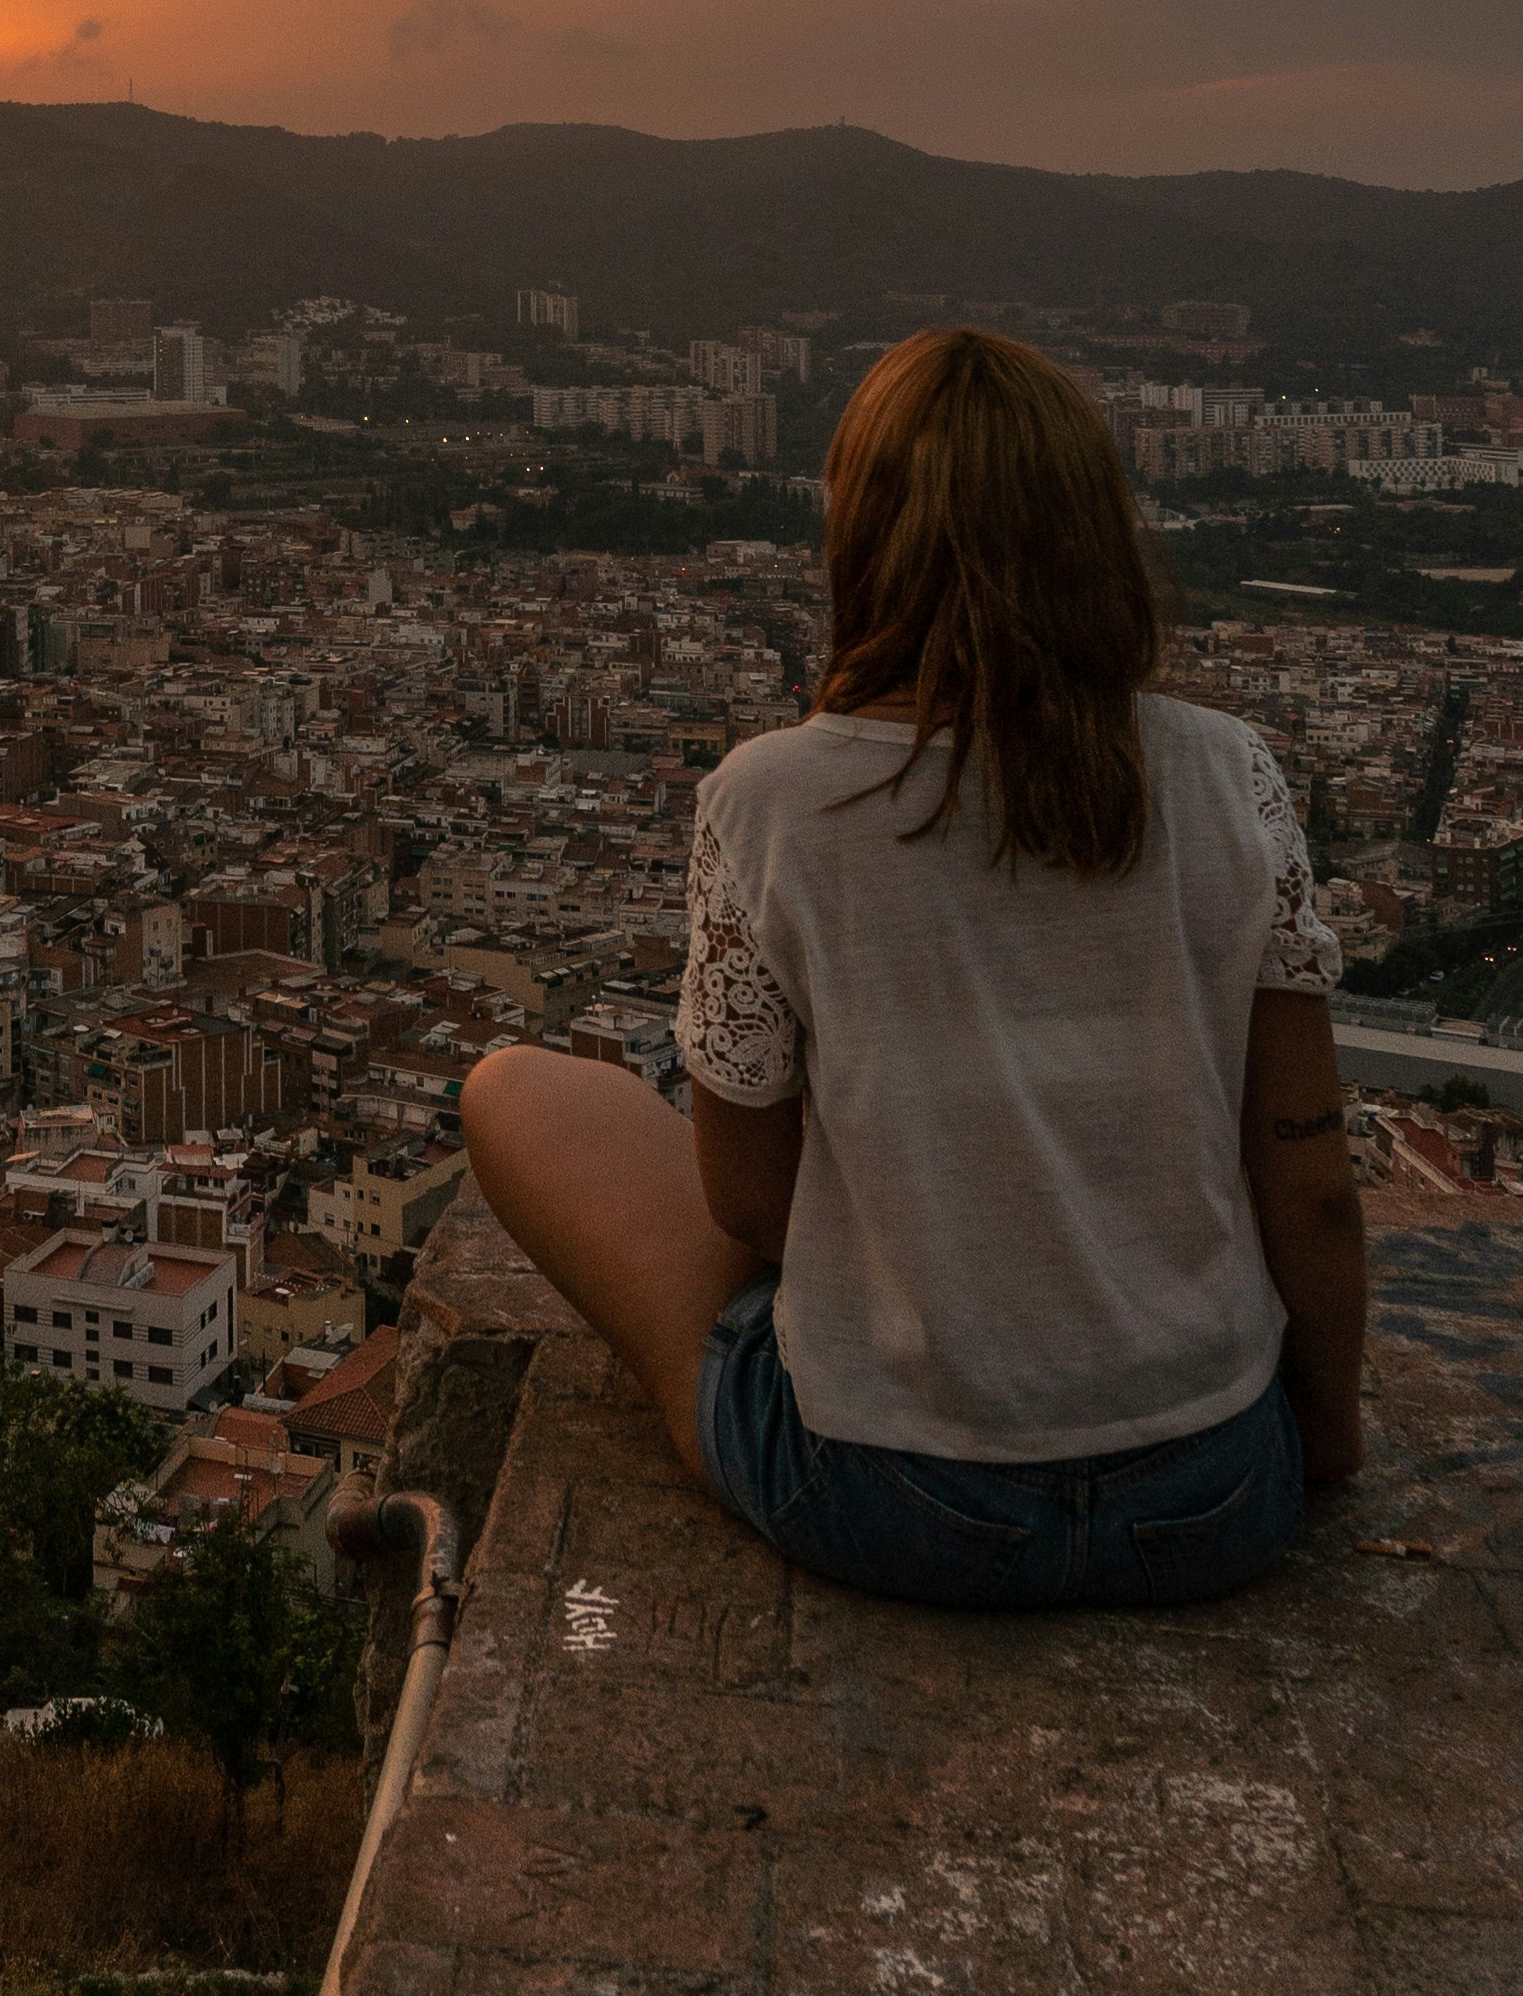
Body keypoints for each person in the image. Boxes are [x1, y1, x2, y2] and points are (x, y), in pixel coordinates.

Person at [461, 326, 1363, 1611]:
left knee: (510, 1087)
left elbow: (747, 1203)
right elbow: (1309, 1183)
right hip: (1211, 1491)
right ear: (1095, 530)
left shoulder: (771, 801)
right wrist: (1315, 1448)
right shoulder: (1230, 776)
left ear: (861, 538)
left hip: (890, 1500)